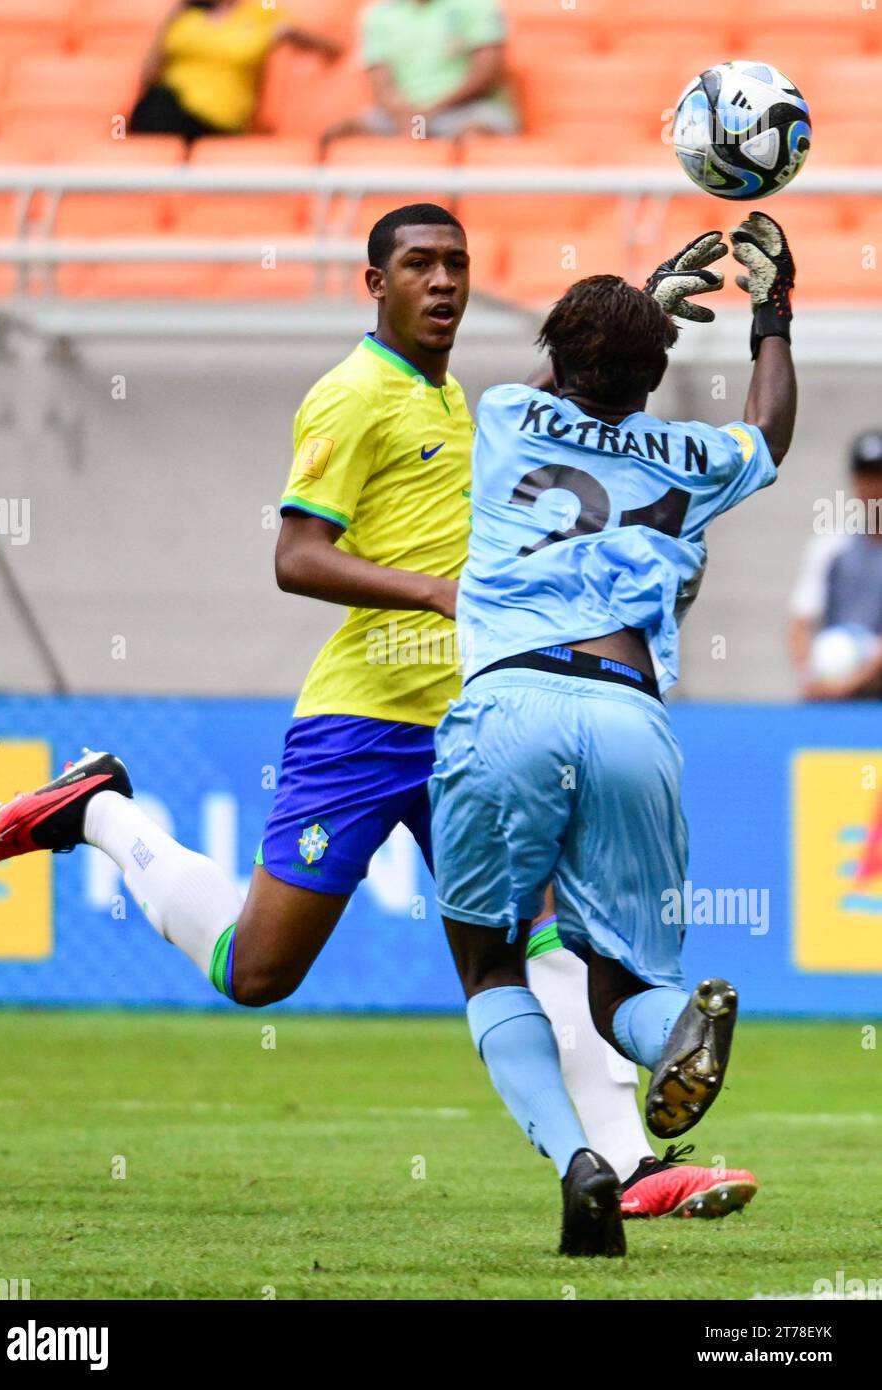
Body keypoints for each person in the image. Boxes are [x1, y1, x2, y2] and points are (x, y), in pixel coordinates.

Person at [0, 207, 765, 1249]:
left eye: (458, 265)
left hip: (480, 721)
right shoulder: (351, 395)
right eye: (418, 265)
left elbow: (591, 409)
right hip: (365, 720)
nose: (443, 282)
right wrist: (439, 596)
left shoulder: (469, 402)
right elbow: (296, 555)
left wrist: (641, 321)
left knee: (542, 941)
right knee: (258, 973)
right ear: (373, 282)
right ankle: (105, 813)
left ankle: (622, 1164)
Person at [427, 212, 797, 1254]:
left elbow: (574, 383)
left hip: (510, 703)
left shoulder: (504, 412)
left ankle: (580, 1156)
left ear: (558, 356)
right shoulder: (690, 452)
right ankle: (672, 1030)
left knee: (491, 960)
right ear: (655, 373)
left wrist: (637, 304)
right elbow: (769, 433)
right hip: (629, 710)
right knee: (624, 980)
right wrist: (771, 314)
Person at [130, 0, 340, 142]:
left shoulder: (261, 8)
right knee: (154, 110)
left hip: (218, 119)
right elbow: (149, 71)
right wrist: (172, 15)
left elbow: (330, 47)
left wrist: (287, 32)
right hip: (164, 104)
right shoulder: (187, 13)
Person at [325, 0, 518, 143]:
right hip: (401, 116)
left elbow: (487, 73)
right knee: (340, 136)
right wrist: (411, 120)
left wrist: (430, 112)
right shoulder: (379, 14)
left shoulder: (477, 5)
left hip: (468, 110)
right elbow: (382, 86)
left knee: (473, 137)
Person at [789, 430, 882, 700]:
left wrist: (860, 675)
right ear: (854, 482)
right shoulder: (830, 548)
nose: (875, 487)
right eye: (866, 477)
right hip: (835, 695)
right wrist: (809, 676)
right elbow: (800, 622)